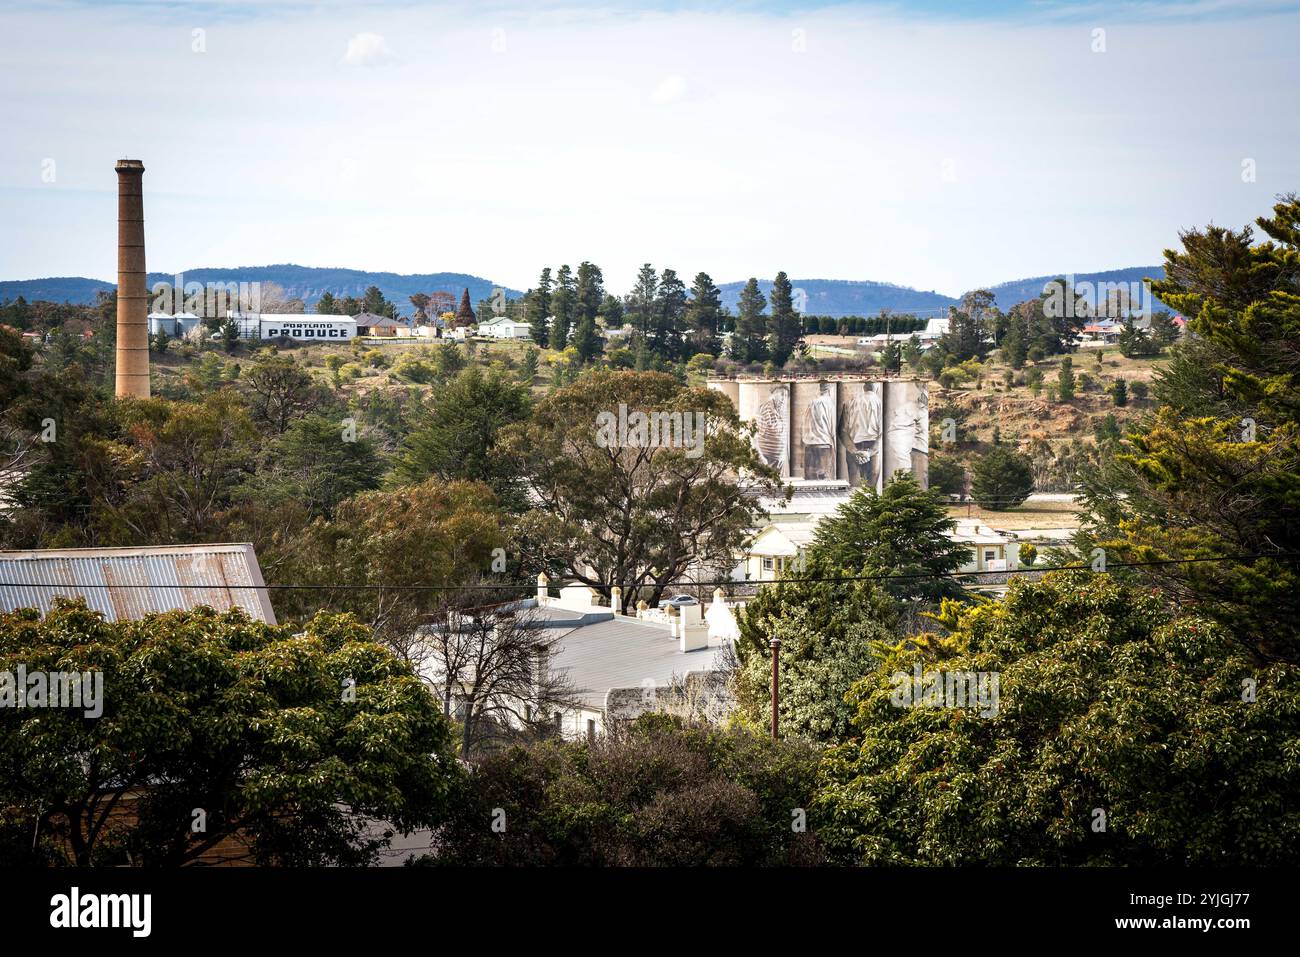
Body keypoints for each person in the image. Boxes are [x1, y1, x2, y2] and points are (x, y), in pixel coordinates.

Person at [839, 381, 881, 487]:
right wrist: (869, 453)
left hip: (853, 447)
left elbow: (842, 430)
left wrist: (854, 451)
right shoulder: (880, 403)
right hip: (873, 448)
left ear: (864, 388)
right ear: (876, 388)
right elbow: (883, 433)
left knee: (854, 490)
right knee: (871, 491)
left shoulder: (850, 403)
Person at [801, 381, 836, 479]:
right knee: (824, 477)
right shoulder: (830, 403)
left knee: (809, 478)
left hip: (809, 445)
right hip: (824, 444)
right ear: (829, 389)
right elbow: (832, 428)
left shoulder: (812, 402)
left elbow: (804, 423)